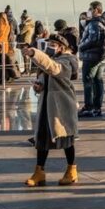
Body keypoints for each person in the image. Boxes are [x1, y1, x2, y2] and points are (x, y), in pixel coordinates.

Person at [22, 33, 81, 187]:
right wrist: (38, 85)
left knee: (66, 138)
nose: (50, 47)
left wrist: (35, 54)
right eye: (49, 44)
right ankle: (39, 172)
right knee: (42, 140)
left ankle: (72, 170)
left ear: (62, 47)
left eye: (53, 44)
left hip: (61, 106)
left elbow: (54, 69)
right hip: (47, 105)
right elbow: (45, 74)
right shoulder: (51, 60)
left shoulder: (67, 61)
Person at [77, 1, 105, 117]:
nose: (89, 11)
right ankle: (97, 107)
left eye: (90, 8)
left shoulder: (94, 24)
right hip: (102, 57)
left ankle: (89, 107)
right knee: (98, 81)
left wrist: (80, 46)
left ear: (96, 10)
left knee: (88, 82)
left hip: (91, 57)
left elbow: (93, 39)